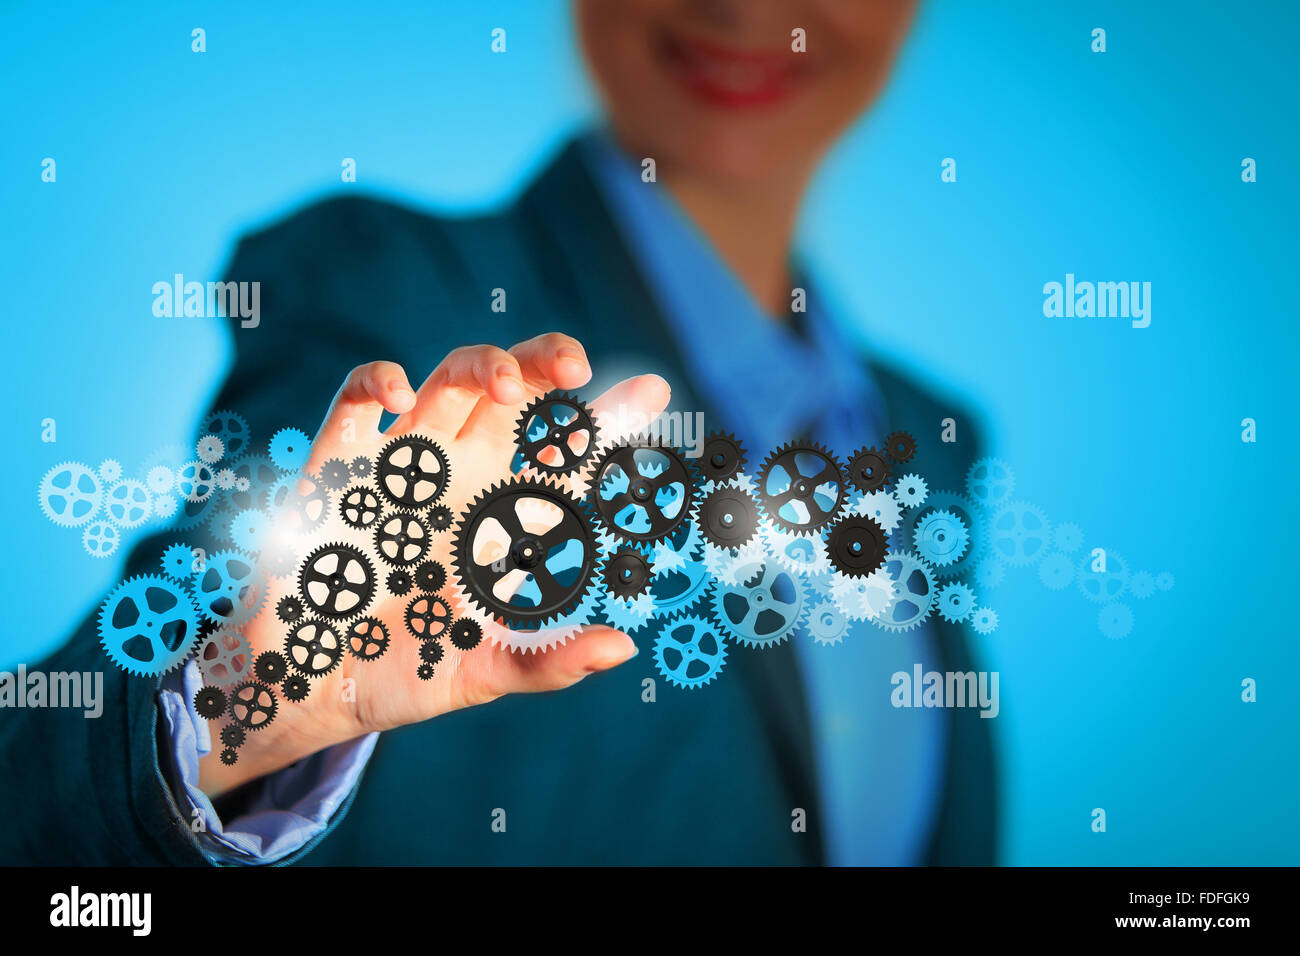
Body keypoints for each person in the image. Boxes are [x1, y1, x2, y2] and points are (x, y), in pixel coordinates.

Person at [0, 0, 995, 865]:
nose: (742, 2)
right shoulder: (389, 291)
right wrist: (251, 696)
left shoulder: (928, 438)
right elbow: (44, 778)